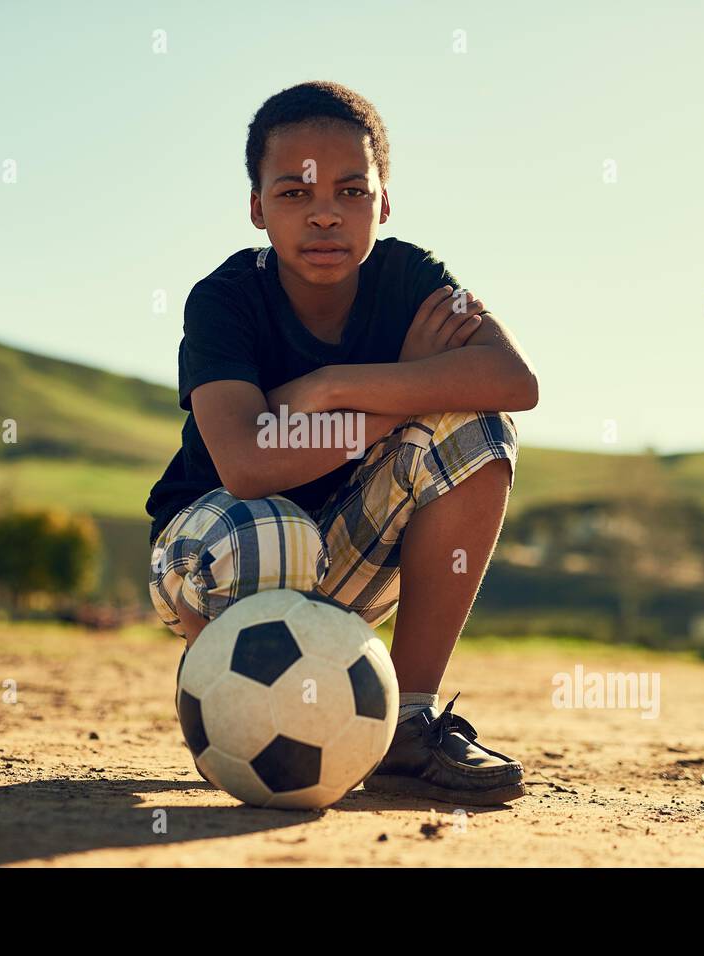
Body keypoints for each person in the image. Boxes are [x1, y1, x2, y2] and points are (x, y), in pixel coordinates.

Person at [145, 80, 540, 806]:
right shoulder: (225, 300)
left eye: (351, 191)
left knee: (477, 425)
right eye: (294, 194)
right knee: (274, 531)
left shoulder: (410, 276)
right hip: (215, 552)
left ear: (383, 202)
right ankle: (226, 696)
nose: (325, 212)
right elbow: (247, 462)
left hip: (344, 549)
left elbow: (514, 380)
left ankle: (409, 724)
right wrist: (404, 388)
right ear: (257, 208)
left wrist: (330, 386)